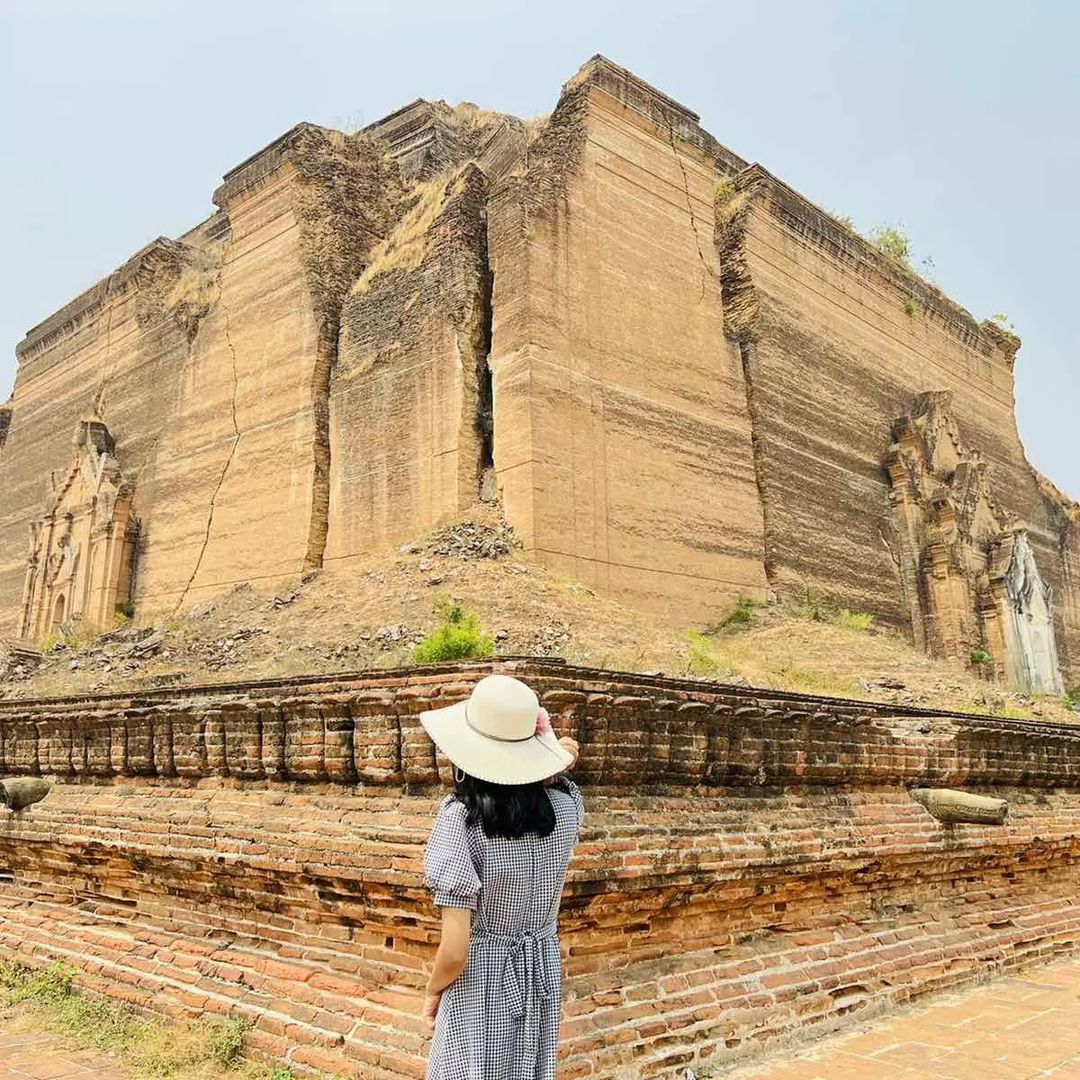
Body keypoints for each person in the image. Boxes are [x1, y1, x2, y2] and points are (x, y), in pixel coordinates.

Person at [419, 674, 583, 1080]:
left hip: (483, 976)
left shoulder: (461, 821)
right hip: (540, 968)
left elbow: (455, 951)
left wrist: (433, 989)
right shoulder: (566, 809)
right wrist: (546, 757)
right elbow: (564, 769)